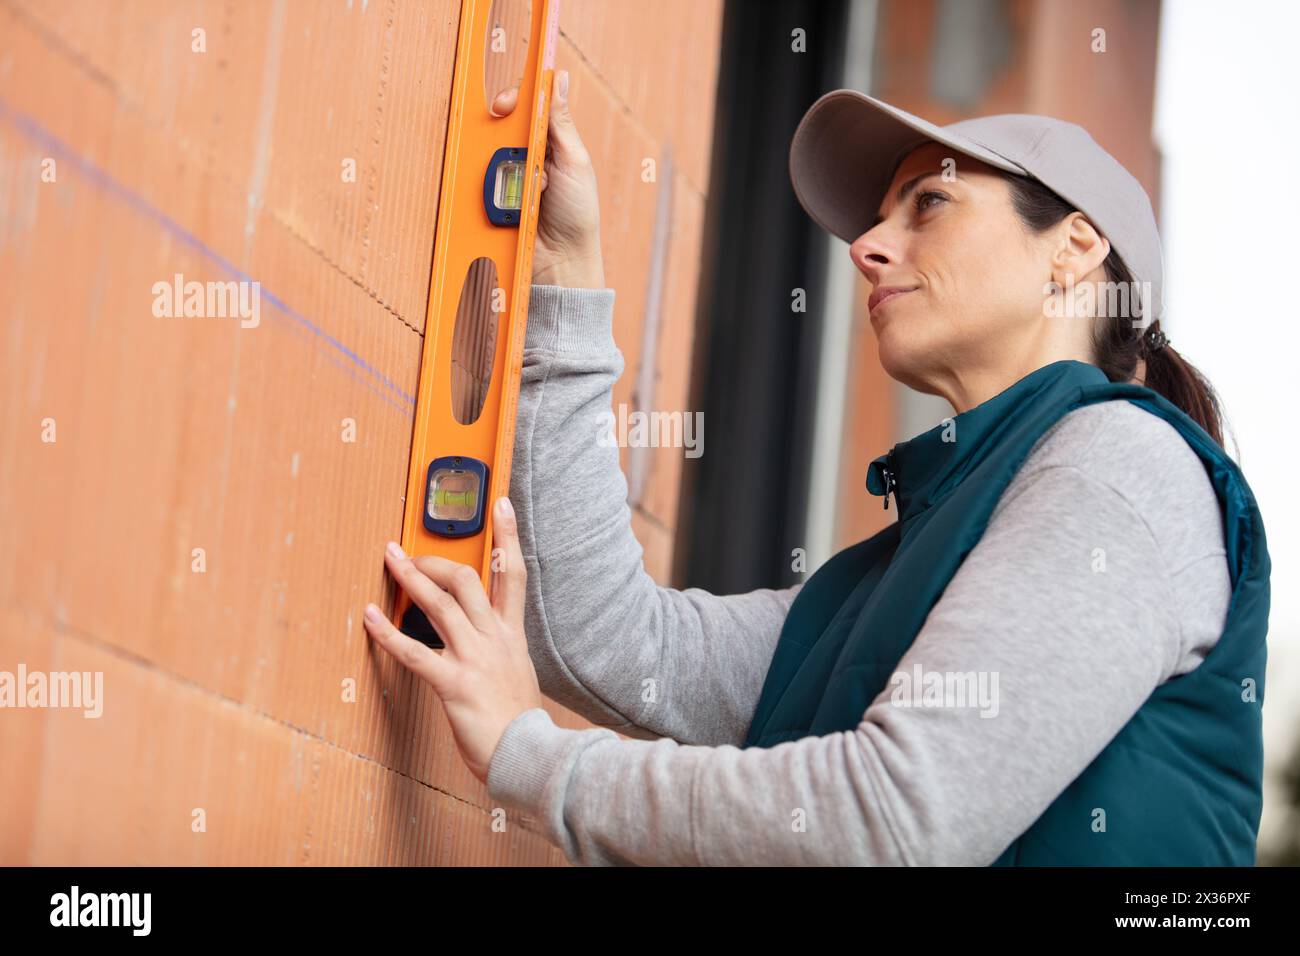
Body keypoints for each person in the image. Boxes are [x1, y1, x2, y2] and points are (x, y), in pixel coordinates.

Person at [362, 72, 1271, 865]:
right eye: (879, 217)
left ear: (1073, 250)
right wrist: (567, 273)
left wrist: (531, 756)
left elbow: (897, 818)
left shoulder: (1122, 466)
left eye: (929, 203)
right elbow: (607, 644)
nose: (867, 245)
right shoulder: (890, 577)